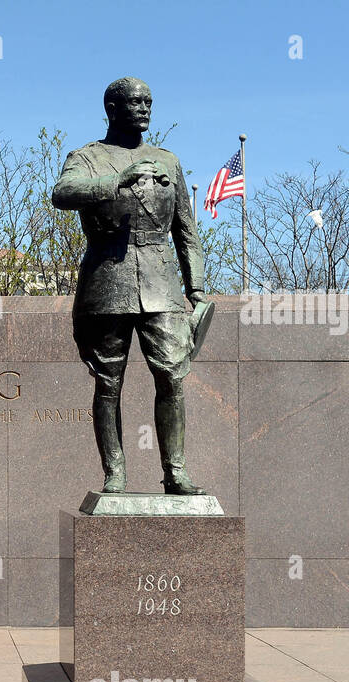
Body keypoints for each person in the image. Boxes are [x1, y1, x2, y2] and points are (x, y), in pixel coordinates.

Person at [50, 77, 208, 495]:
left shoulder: (168, 161)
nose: (144, 109)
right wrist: (118, 178)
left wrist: (198, 291)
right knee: (108, 382)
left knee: (173, 377)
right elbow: (62, 193)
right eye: (135, 102)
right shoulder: (88, 156)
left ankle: (175, 472)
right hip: (106, 279)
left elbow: (186, 232)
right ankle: (115, 473)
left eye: (149, 102)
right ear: (112, 109)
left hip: (162, 284)